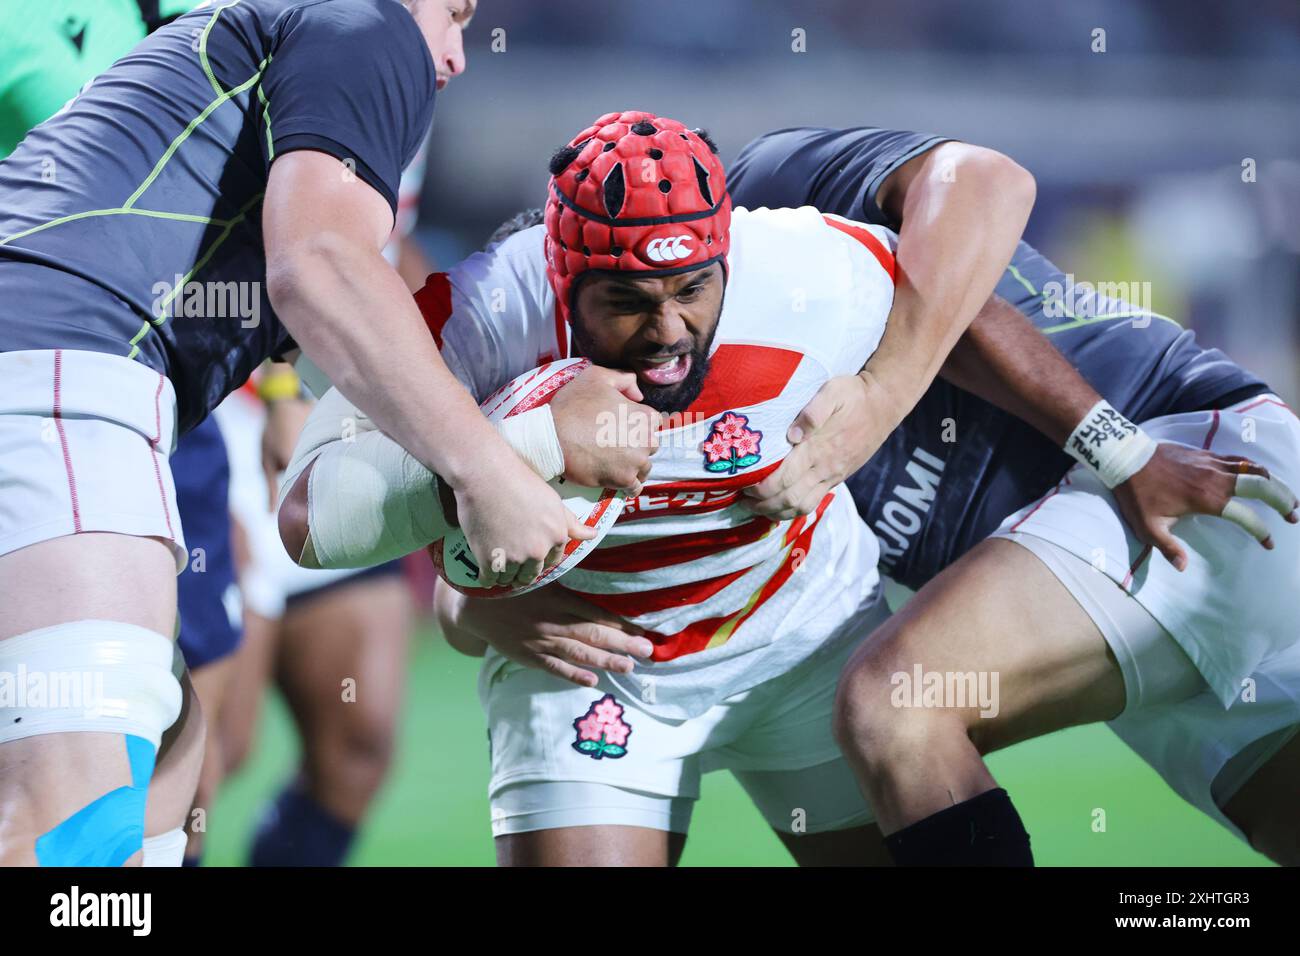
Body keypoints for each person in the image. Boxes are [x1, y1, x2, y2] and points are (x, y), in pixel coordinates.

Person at [0, 0, 563, 867]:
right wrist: (491, 472)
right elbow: (323, 267)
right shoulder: (360, 26)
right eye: (455, 14)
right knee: (75, 820)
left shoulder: (253, 53)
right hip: (59, 379)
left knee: (168, 762)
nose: (455, 56)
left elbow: (352, 328)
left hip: (55, 381)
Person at [723, 127, 1300, 866]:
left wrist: (1118, 450)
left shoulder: (767, 205)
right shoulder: (650, 415)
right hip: (1102, 588)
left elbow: (978, 190)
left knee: (899, 701)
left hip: (1168, 464)